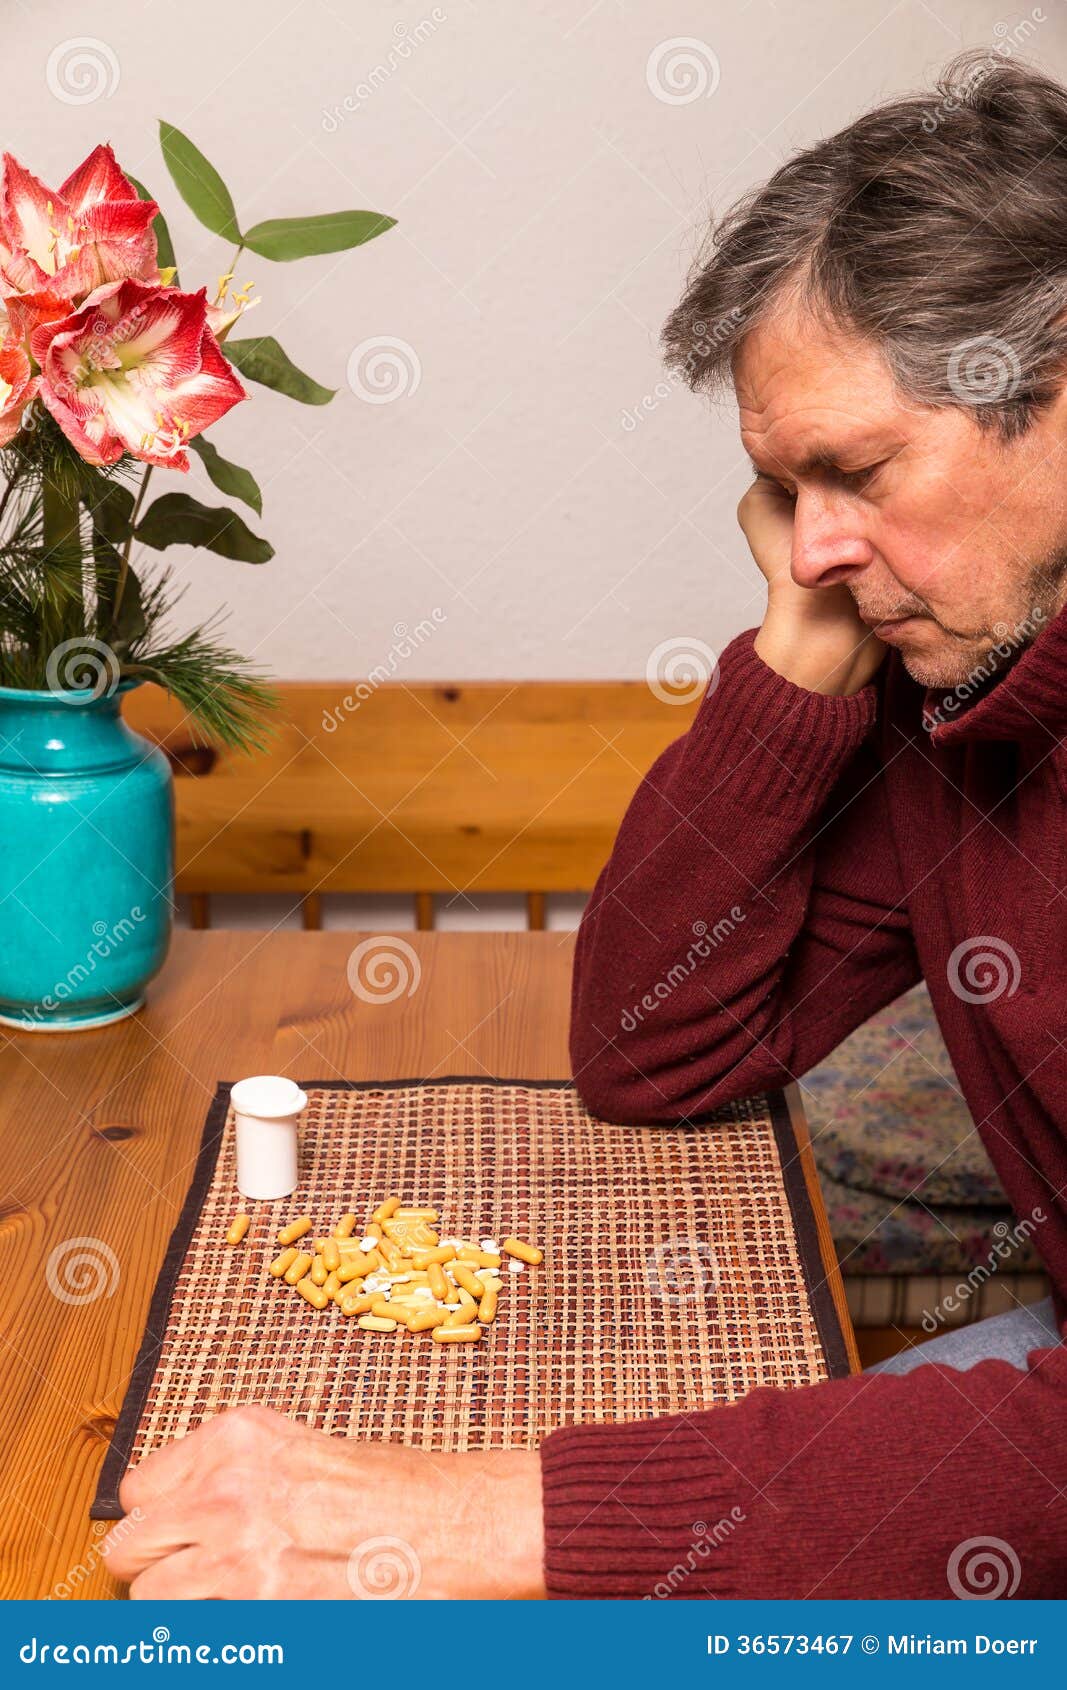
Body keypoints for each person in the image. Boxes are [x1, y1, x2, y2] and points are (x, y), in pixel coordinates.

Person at [105, 48, 1067, 1599]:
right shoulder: (964, 690)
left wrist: (494, 1516)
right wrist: (795, 658)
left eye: (861, 470)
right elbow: (650, 1046)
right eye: (781, 489)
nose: (813, 547)